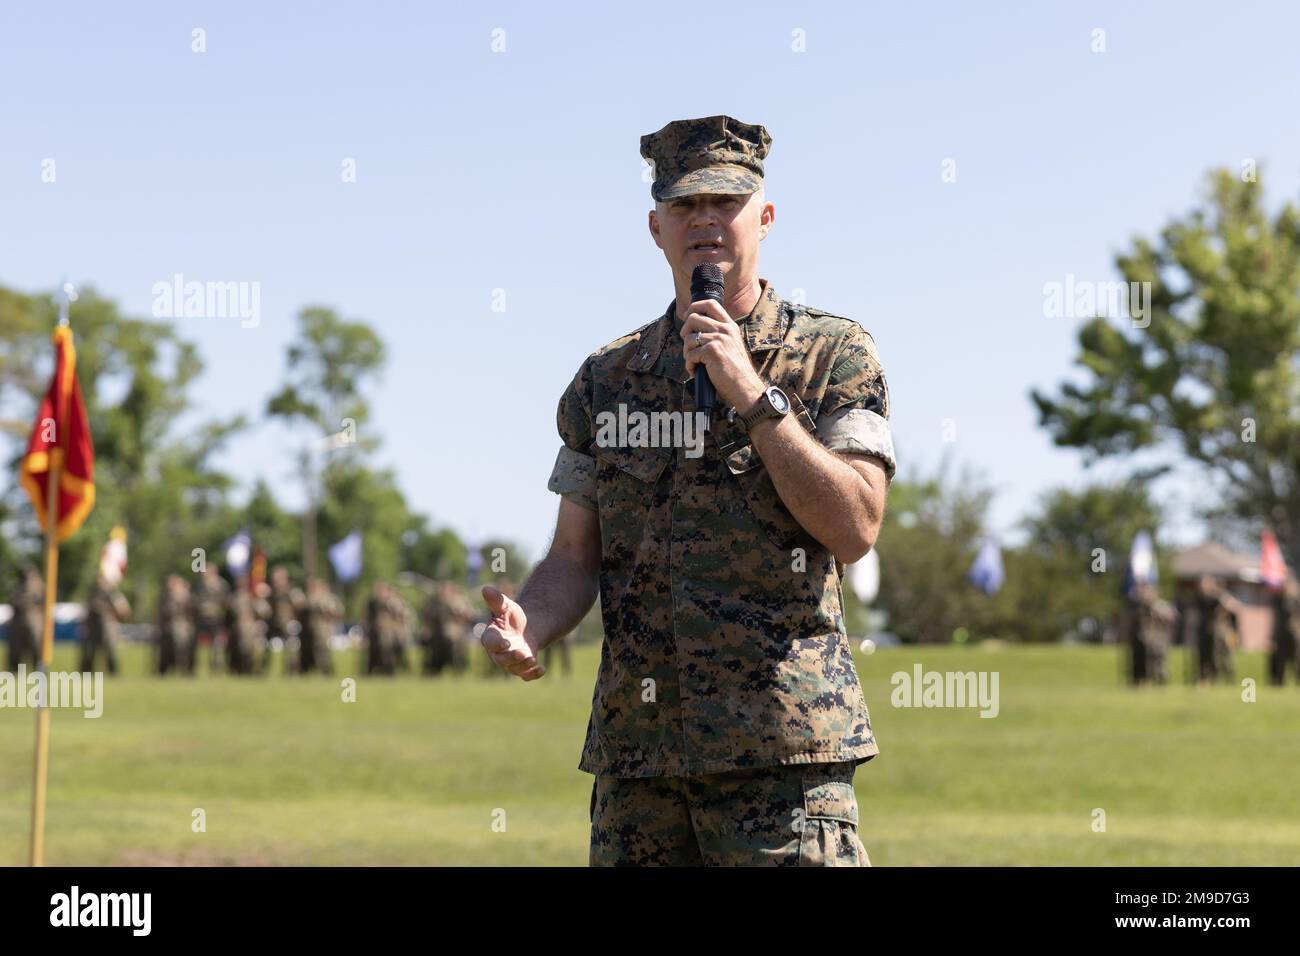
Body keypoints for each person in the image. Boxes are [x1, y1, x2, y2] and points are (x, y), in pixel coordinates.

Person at [479, 116, 895, 866]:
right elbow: (575, 555)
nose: (705, 220)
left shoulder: (833, 355)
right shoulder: (607, 380)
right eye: (684, 205)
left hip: (783, 763)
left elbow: (855, 526)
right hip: (643, 772)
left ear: (764, 218)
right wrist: (530, 623)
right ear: (655, 228)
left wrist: (752, 394)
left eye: (726, 203)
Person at [81, 574, 130, 675]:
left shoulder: (113, 595)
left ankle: (113, 674)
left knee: (110, 652)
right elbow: (87, 611)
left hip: (108, 627)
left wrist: (111, 612)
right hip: (93, 627)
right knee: (89, 651)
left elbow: (124, 611)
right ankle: (86, 673)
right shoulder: (93, 594)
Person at [265, 566, 304, 675]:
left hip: (288, 622)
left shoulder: (291, 590)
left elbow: (300, 604)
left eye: (278, 577)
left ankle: (292, 671)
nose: (276, 579)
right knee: (267, 646)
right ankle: (265, 670)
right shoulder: (271, 591)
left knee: (291, 647)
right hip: (273, 622)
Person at [299, 578, 341, 675]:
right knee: (307, 650)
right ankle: (306, 670)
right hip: (308, 629)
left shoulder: (326, 598)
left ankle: (326, 671)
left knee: (322, 650)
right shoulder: (308, 597)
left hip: (322, 628)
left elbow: (335, 611)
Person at [157, 574, 196, 675]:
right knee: (165, 651)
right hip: (167, 627)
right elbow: (161, 613)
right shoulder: (165, 597)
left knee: (182, 648)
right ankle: (163, 671)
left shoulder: (187, 597)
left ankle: (185, 669)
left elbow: (192, 610)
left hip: (182, 626)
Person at [194, 566, 230, 675]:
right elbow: (195, 600)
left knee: (217, 646)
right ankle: (194, 668)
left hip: (217, 620)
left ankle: (216, 668)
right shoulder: (199, 585)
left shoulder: (222, 585)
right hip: (201, 619)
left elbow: (226, 602)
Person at [6, 568, 43, 672]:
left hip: (34, 626)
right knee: (15, 651)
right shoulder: (18, 589)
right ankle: (13, 673)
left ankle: (39, 671)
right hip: (19, 625)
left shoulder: (40, 589)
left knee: (37, 651)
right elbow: (14, 602)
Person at [1268, 579, 1300, 686]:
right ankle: (1279, 681)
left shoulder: (1295, 599)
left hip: (1293, 632)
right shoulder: (1276, 600)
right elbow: (1275, 618)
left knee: (1296, 658)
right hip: (1280, 633)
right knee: (1280, 658)